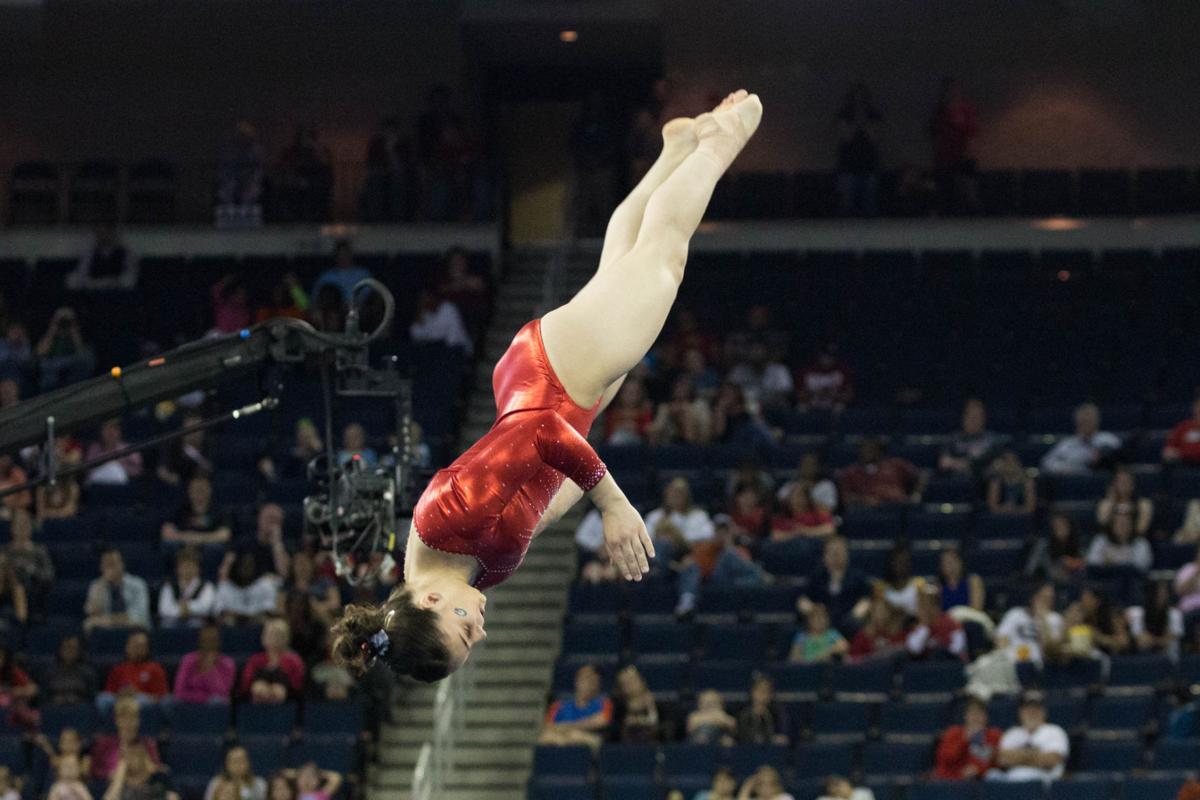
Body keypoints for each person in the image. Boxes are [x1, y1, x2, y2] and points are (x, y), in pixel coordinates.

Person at [328, 92, 762, 683]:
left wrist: (613, 503)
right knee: (624, 267)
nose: (479, 631)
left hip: (550, 382)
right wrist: (587, 486)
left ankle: (719, 141)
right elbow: (537, 503)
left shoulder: (449, 522)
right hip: (555, 391)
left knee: (664, 258)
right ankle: (675, 152)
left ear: (427, 604)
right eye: (472, 643)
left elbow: (537, 432)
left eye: (463, 632)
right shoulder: (464, 570)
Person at [799, 537, 873, 635]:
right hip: (821, 621)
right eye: (831, 552)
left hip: (848, 621)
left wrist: (855, 614)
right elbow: (804, 600)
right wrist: (814, 611)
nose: (835, 556)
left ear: (847, 554)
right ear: (824, 556)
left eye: (839, 552)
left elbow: (866, 600)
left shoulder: (858, 577)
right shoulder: (816, 577)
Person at [993, 692, 1069, 783]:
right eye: (1027, 708)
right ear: (1020, 712)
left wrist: (1017, 756)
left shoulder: (1055, 731)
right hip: (1013, 786)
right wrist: (1036, 755)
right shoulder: (1012, 733)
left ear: (1044, 711)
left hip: (1044, 787)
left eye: (1036, 708)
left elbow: (1051, 760)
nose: (1032, 712)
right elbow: (1003, 759)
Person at [929, 78, 980, 215]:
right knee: (946, 195)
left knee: (967, 194)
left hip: (963, 157)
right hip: (944, 159)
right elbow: (934, 134)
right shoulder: (939, 112)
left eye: (953, 90)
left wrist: (969, 154)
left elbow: (971, 133)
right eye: (947, 91)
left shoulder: (967, 110)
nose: (950, 94)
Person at [538, 664, 613, 748]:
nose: (587, 683)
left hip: (589, 739)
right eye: (584, 678)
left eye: (592, 679)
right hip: (561, 738)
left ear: (597, 683)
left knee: (576, 736)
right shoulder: (558, 705)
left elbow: (602, 721)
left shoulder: (604, 703)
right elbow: (548, 726)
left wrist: (566, 727)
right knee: (546, 737)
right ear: (576, 681)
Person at [835, 83, 882, 216]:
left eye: (862, 98)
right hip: (848, 167)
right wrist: (856, 121)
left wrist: (865, 121)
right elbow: (846, 137)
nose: (859, 101)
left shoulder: (873, 115)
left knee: (870, 205)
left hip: (869, 166)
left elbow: (874, 138)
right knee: (846, 205)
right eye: (856, 97)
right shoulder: (844, 115)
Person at [96, 631, 169, 714]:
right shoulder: (118, 669)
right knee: (103, 698)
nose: (138, 649)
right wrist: (121, 694)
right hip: (120, 701)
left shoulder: (155, 669)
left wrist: (136, 694)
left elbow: (161, 697)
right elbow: (109, 693)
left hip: (142, 702)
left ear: (147, 649)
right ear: (127, 647)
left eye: (142, 646)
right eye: (135, 645)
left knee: (142, 700)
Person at [995, 583, 1065, 667]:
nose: (1046, 602)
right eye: (1043, 598)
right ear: (1033, 597)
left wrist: (1043, 621)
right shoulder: (1015, 613)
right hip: (1012, 663)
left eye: (1050, 598)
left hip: (1039, 665)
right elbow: (1001, 638)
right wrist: (1005, 658)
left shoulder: (1055, 619)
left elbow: (1050, 652)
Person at [1039, 403, 1121, 475]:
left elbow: (1121, 460)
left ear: (1096, 421)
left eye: (1089, 420)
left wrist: (1103, 458)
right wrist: (1069, 469)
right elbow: (1047, 462)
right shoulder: (1067, 444)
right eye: (1083, 421)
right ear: (1077, 422)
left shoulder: (1109, 439)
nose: (1086, 423)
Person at [91, 699, 161, 781]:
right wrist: (108, 775)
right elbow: (94, 770)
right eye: (124, 718)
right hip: (111, 786)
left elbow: (156, 767)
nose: (129, 723)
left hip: (141, 786)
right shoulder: (104, 743)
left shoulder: (148, 743)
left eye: (133, 718)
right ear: (116, 720)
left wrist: (149, 769)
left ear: (138, 720)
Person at [838, 438, 921, 509]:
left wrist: (916, 494)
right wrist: (864, 500)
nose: (866, 452)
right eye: (864, 449)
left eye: (871, 449)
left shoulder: (896, 465)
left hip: (898, 508)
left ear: (879, 451)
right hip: (870, 512)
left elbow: (921, 476)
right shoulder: (850, 472)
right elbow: (846, 498)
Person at [934, 696, 1002, 780]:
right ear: (965, 716)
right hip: (953, 780)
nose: (976, 718)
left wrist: (979, 769)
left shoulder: (994, 735)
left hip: (982, 780)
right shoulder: (953, 733)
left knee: (994, 774)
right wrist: (965, 739)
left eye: (980, 714)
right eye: (972, 714)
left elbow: (999, 761)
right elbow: (946, 759)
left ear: (986, 717)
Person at [239, 619, 305, 704]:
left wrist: (278, 690)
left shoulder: (294, 661)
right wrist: (262, 689)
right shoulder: (256, 660)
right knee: (258, 688)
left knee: (278, 691)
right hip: (255, 701)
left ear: (287, 638)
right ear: (263, 637)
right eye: (271, 634)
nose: (275, 638)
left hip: (287, 702)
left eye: (279, 635)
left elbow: (298, 686)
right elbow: (245, 685)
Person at [84, 550, 151, 631]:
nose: (109, 568)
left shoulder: (138, 584)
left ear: (122, 564)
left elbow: (138, 617)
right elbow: (92, 615)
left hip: (134, 631)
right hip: (107, 631)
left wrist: (107, 620)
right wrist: (101, 585)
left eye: (112, 564)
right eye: (105, 564)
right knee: (88, 625)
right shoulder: (96, 585)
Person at [644, 477, 716, 549]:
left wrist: (679, 537)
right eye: (673, 492)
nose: (676, 495)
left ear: (687, 495)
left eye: (680, 492)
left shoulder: (699, 516)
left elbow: (709, 536)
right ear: (666, 494)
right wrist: (660, 534)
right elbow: (644, 538)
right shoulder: (655, 516)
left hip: (689, 552)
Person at [161, 476, 232, 548]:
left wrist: (197, 538)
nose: (199, 492)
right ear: (189, 491)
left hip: (208, 550)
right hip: (183, 549)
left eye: (202, 488)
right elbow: (166, 533)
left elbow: (224, 535)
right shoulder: (179, 510)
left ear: (210, 490)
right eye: (195, 488)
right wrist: (186, 538)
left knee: (214, 548)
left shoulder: (220, 511)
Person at [174, 624, 236, 704]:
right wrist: (204, 697)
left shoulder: (227, 663)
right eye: (206, 639)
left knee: (217, 701)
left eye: (213, 639)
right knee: (169, 701)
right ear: (200, 641)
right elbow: (179, 692)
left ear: (218, 641)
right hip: (187, 704)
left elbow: (222, 694)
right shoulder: (188, 660)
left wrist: (211, 670)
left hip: (212, 707)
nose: (209, 643)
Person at [37, 307, 95, 391]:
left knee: (87, 359)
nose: (64, 323)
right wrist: (53, 328)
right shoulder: (51, 336)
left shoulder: (77, 336)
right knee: (45, 365)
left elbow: (82, 355)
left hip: (72, 365)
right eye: (62, 321)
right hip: (53, 366)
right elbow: (40, 353)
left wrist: (73, 328)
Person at [939, 399, 1000, 477]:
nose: (975, 420)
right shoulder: (953, 439)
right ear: (964, 417)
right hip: (957, 482)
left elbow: (997, 465)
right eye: (971, 415)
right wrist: (971, 464)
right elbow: (944, 463)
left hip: (983, 483)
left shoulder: (992, 440)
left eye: (978, 416)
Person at [728, 340, 794, 410]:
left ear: (767, 353)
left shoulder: (779, 370)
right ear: (747, 353)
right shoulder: (739, 370)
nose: (757, 354)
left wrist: (762, 402)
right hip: (744, 409)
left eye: (759, 350)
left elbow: (785, 394)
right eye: (754, 350)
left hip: (774, 409)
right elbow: (729, 391)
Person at [158, 547, 216, 627]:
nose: (187, 570)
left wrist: (186, 607)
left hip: (199, 625)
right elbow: (164, 609)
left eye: (191, 566)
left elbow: (206, 607)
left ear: (198, 569)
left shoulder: (207, 586)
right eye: (184, 566)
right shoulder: (169, 586)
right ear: (177, 568)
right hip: (173, 624)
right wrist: (182, 611)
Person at [0, 509, 50, 603]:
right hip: (5, 591)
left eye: (25, 524)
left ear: (30, 527)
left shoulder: (39, 551)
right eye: (18, 524)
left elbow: (48, 575)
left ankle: (20, 616)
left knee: (18, 585)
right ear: (12, 527)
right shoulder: (4, 551)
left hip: (30, 590)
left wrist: (30, 570)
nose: (21, 528)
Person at [906, 585, 967, 661]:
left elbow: (958, 647)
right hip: (926, 665)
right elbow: (914, 648)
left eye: (925, 604)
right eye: (920, 605)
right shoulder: (919, 625)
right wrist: (925, 627)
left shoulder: (950, 622)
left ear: (936, 606)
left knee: (938, 653)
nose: (921, 609)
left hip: (948, 664)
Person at [1127, 580, 1185, 657]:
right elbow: (1140, 640)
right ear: (1152, 595)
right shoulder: (1138, 614)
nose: (1164, 596)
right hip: (1144, 657)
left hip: (1169, 657)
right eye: (1160, 594)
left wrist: (1154, 641)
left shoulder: (1174, 614)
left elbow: (1168, 640)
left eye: (1165, 593)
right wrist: (1157, 641)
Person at [650, 376, 712, 446]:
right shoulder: (665, 408)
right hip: (668, 447)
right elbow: (655, 432)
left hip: (696, 446)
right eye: (678, 386)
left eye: (684, 386)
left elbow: (705, 435)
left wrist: (686, 412)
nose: (680, 389)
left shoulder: (700, 406)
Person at [102, 743, 178, 800]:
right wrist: (120, 774)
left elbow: (174, 797)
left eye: (135, 752)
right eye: (127, 754)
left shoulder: (160, 776)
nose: (132, 758)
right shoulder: (119, 780)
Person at [156, 412, 212, 487]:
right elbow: (162, 470)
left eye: (198, 429)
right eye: (191, 429)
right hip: (176, 487)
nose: (194, 433)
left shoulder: (208, 445)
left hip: (198, 487)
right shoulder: (172, 444)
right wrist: (170, 477)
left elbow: (211, 468)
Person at [409, 290, 474, 355]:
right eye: (422, 299)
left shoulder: (448, 308)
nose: (425, 301)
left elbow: (453, 337)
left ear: (433, 297)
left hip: (459, 348)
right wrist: (418, 318)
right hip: (437, 351)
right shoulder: (425, 314)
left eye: (427, 298)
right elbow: (416, 336)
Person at [1085, 512, 1153, 573]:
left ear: (1132, 526)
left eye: (1126, 524)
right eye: (1119, 523)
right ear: (1112, 525)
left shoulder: (1141, 542)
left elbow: (1142, 565)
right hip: (1105, 580)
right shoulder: (1101, 540)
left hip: (1130, 581)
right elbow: (1092, 562)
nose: (1122, 527)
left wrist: (1112, 560)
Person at [1096, 467, 1154, 536]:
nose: (1124, 484)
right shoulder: (1106, 504)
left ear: (1133, 485)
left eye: (1127, 481)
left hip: (1135, 541)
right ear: (1114, 484)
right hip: (1110, 541)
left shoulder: (1144, 504)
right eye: (1120, 481)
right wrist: (1112, 501)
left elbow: (1141, 529)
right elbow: (1103, 524)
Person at [796, 343, 854, 411]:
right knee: (801, 407)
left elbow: (849, 394)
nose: (827, 359)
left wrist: (834, 394)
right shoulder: (808, 371)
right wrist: (814, 393)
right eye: (825, 355)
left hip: (833, 404)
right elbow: (799, 393)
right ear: (819, 355)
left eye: (831, 356)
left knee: (840, 407)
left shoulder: (842, 371)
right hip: (812, 402)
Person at [770, 482, 836, 541]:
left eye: (803, 497)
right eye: (796, 496)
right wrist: (794, 534)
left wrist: (806, 531)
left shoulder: (817, 514)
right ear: (789, 499)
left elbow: (829, 529)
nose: (800, 500)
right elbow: (775, 536)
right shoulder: (781, 517)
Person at [849, 598, 909, 662]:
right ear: (871, 614)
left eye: (883, 611)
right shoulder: (862, 635)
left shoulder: (899, 633)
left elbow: (906, 651)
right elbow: (853, 658)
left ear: (890, 613)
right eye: (876, 612)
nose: (880, 615)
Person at [85, 419, 143, 486]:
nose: (111, 432)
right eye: (107, 428)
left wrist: (119, 464)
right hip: (98, 486)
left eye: (114, 428)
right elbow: (88, 470)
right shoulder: (94, 448)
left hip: (122, 487)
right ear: (101, 431)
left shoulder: (128, 448)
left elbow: (137, 470)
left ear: (119, 431)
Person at [311, 240, 371, 305]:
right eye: (340, 254)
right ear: (335, 256)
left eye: (345, 254)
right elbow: (315, 300)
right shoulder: (326, 277)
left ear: (351, 255)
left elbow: (369, 297)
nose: (343, 257)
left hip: (359, 311)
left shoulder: (363, 274)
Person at [44, 636, 99, 705]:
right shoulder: (49, 672)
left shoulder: (88, 673)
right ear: (60, 650)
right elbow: (44, 699)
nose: (68, 651)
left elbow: (92, 700)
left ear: (79, 651)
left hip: (80, 711)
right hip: (54, 710)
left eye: (72, 648)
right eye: (65, 647)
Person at [736, 675, 789, 746]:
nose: (763, 695)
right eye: (760, 691)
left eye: (767, 691)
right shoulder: (742, 711)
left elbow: (783, 735)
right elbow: (738, 735)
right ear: (752, 692)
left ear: (771, 695)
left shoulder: (778, 713)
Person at [613, 665, 659, 743]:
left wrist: (650, 706)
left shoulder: (657, 704)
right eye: (624, 682)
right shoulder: (617, 708)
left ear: (641, 681)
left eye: (632, 680)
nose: (629, 685)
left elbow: (657, 724)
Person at [601, 379, 654, 445]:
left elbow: (649, 431)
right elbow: (606, 432)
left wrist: (637, 427)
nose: (631, 396)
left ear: (641, 394)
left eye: (635, 392)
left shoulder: (644, 412)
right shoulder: (612, 413)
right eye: (627, 392)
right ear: (621, 394)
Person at [878, 544, 925, 616]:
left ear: (909, 563)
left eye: (904, 561)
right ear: (891, 563)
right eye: (897, 561)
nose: (900, 565)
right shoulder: (880, 588)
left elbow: (924, 613)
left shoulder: (919, 584)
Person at [986, 450, 1036, 515]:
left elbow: (1030, 506)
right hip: (1000, 514)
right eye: (1006, 461)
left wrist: (1015, 510)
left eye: (1012, 461)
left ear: (1018, 463)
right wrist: (1004, 509)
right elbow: (992, 505)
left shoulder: (1027, 481)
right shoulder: (996, 481)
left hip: (1022, 514)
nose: (1009, 464)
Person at [1163, 395, 1200, 465]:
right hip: (1182, 466)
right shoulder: (1183, 426)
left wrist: (1181, 453)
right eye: (1198, 406)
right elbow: (1168, 451)